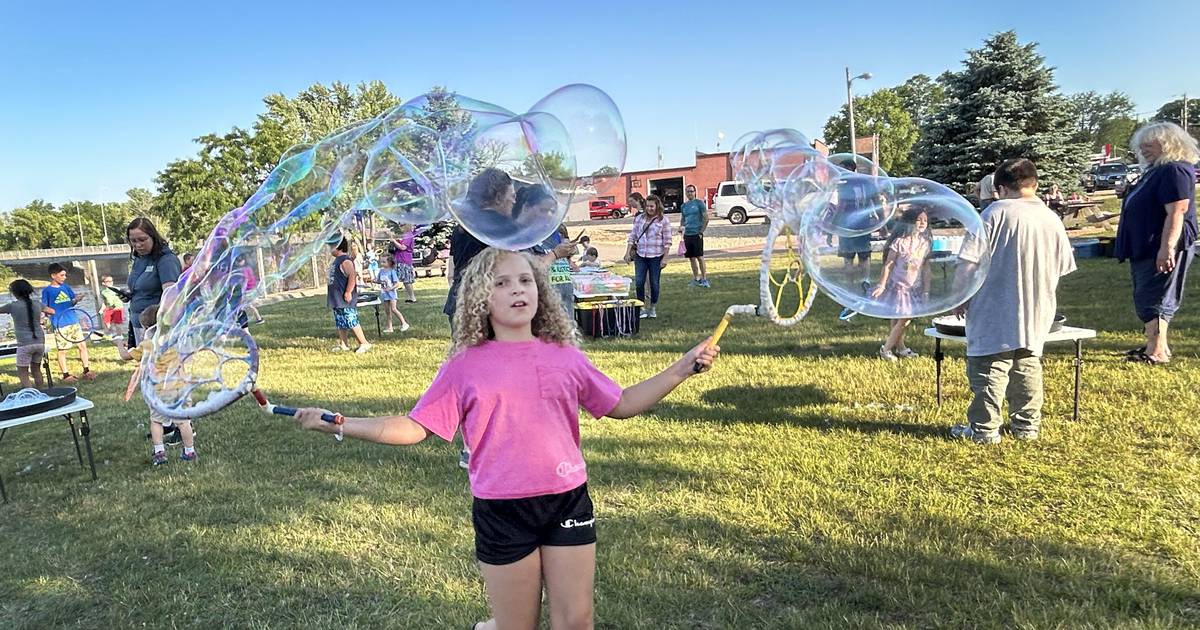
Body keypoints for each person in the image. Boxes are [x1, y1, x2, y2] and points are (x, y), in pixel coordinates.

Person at [292, 248, 720, 630]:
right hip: (502, 510)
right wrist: (340, 424)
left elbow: (621, 402)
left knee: (577, 621)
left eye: (525, 280)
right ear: (481, 297)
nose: (518, 289)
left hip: (566, 500)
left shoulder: (564, 356)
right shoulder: (464, 367)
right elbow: (415, 427)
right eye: (502, 282)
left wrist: (683, 367)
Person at [950, 158, 1076, 444]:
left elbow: (969, 261)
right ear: (1035, 184)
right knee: (1027, 365)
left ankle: (984, 430)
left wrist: (960, 296)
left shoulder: (994, 213)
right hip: (1037, 307)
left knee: (989, 368)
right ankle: (1026, 427)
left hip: (994, 305)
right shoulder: (1050, 217)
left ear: (1001, 188)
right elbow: (1062, 265)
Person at [1113, 122, 1199, 366]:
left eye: (1150, 144)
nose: (1143, 149)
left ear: (1169, 144)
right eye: (1141, 145)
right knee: (1146, 294)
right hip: (1146, 246)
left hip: (1161, 246)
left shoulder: (1175, 170)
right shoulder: (1156, 170)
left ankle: (1157, 352)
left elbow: (1177, 212)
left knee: (1156, 296)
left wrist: (1167, 248)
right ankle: (1157, 344)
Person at [113, 305, 197, 465]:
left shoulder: (147, 345)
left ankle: (160, 452)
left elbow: (125, 356)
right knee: (183, 421)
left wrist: (119, 343)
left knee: (156, 421)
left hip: (159, 390)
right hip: (181, 387)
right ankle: (189, 452)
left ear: (147, 328)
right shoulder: (176, 339)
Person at [126, 217, 184, 442]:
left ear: (153, 236)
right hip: (141, 324)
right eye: (133, 241)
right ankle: (164, 422)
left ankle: (182, 425)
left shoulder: (166, 260)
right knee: (152, 376)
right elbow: (140, 285)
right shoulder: (139, 259)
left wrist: (160, 324)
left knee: (169, 376)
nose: (137, 245)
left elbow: (170, 295)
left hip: (160, 328)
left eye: (142, 240)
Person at [870, 206, 932, 361]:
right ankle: (886, 349)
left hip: (913, 288)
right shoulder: (899, 242)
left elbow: (926, 268)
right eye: (919, 220)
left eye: (925, 220)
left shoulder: (924, 243)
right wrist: (881, 285)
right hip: (898, 287)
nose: (922, 223)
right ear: (910, 222)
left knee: (898, 318)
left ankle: (901, 348)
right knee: (904, 319)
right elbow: (889, 265)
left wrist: (926, 290)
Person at [41, 263, 95, 383]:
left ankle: (86, 370)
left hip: (73, 321)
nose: (64, 277)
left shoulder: (66, 287)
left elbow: (71, 302)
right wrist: (45, 317)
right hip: (60, 324)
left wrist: (77, 299)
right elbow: (43, 307)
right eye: (62, 275)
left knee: (82, 346)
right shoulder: (47, 291)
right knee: (63, 350)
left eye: (65, 275)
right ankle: (66, 375)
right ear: (53, 276)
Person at [623, 194, 673, 319]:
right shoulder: (639, 218)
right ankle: (641, 308)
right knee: (639, 282)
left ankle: (653, 307)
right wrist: (627, 252)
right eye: (648, 206)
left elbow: (667, 241)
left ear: (657, 206)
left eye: (652, 206)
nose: (650, 209)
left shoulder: (663, 220)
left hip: (656, 256)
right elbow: (632, 236)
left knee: (654, 283)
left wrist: (665, 258)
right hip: (641, 255)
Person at [327, 236, 371, 354]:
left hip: (345, 297)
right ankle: (344, 344)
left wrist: (348, 291)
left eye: (331, 247)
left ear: (338, 247)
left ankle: (364, 343)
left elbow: (352, 276)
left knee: (351, 319)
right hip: (337, 298)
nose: (330, 250)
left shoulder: (345, 261)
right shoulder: (337, 260)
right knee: (340, 321)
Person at [0, 279, 46, 389]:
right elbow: (52, 311)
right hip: (40, 341)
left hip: (24, 344)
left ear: (15, 293)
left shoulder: (12, 306)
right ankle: (42, 392)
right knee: (36, 370)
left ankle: (31, 395)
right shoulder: (37, 304)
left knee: (23, 372)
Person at [680, 184, 710, 287]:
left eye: (692, 191)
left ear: (695, 192)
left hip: (697, 234)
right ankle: (696, 278)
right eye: (688, 191)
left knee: (699, 257)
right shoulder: (684, 206)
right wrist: (681, 227)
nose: (690, 193)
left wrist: (701, 231)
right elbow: (683, 219)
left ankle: (704, 279)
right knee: (691, 258)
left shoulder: (699, 203)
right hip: (687, 234)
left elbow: (706, 218)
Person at [374, 256, 410, 333]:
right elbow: (379, 280)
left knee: (394, 309)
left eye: (384, 262)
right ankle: (390, 327)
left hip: (392, 294)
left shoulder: (392, 271)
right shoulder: (381, 271)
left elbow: (397, 284)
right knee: (387, 311)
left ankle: (404, 323)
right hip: (384, 293)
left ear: (389, 263)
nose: (382, 263)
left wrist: (390, 289)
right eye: (381, 261)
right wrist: (375, 281)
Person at [390, 224, 419, 303]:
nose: (400, 227)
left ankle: (412, 297)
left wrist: (394, 241)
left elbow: (403, 247)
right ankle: (410, 297)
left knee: (407, 280)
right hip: (400, 259)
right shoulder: (405, 235)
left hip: (404, 260)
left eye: (402, 225)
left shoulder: (408, 235)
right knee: (405, 280)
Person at [99, 275, 127, 340]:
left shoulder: (117, 289)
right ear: (103, 283)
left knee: (118, 322)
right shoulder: (103, 292)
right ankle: (111, 333)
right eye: (108, 281)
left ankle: (120, 335)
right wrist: (102, 309)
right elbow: (104, 302)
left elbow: (123, 297)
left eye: (111, 281)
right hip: (109, 308)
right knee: (106, 321)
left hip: (118, 308)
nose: (110, 282)